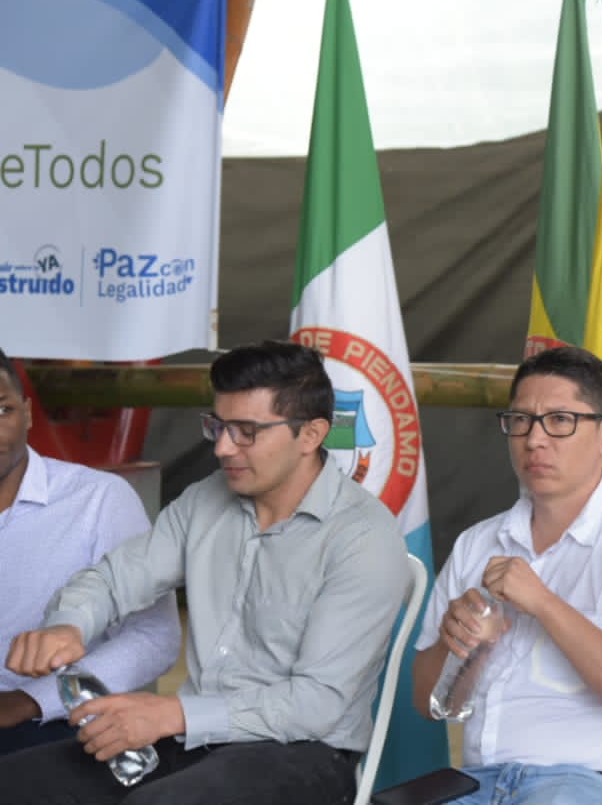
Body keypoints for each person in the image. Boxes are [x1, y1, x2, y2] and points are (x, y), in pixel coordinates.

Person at [0, 340, 412, 804]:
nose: (222, 447)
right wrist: (69, 622)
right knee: (12, 783)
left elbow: (316, 706)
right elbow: (115, 578)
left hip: (303, 752)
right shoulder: (205, 499)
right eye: (217, 425)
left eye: (246, 432)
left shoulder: (363, 538)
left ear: (312, 435)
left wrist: (172, 714)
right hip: (192, 739)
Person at [411, 346, 602, 805]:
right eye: (521, 421)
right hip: (479, 782)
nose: (535, 439)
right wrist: (461, 646)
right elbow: (430, 704)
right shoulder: (477, 543)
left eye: (561, 421)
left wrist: (544, 604)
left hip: (592, 783)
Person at [0, 349, 181, 756]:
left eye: (2, 409)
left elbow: (155, 637)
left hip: (55, 724)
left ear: (27, 413)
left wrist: (29, 701)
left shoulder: (97, 499)